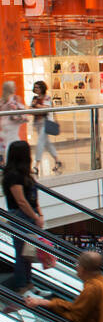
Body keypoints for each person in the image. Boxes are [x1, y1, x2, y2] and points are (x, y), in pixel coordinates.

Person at [2, 139, 44, 298]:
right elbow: (21, 200)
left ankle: (29, 284)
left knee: (28, 252)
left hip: (29, 213)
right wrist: (35, 216)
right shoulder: (13, 176)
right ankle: (22, 287)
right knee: (21, 253)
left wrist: (39, 214)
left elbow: (32, 197)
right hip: (20, 215)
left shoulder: (24, 173)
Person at [31, 80, 61, 174]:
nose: (36, 89)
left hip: (45, 122)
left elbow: (47, 108)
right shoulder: (34, 98)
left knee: (40, 142)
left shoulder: (47, 97)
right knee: (47, 143)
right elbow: (32, 108)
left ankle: (36, 165)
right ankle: (57, 160)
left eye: (38, 87)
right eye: (35, 87)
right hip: (37, 122)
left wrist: (37, 106)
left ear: (42, 88)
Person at [0, 81, 26, 164]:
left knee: (11, 141)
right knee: (11, 143)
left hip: (4, 123)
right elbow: (17, 109)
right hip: (11, 124)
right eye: (13, 87)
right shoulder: (12, 99)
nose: (15, 88)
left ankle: (17, 162)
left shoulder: (2, 99)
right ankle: (9, 163)